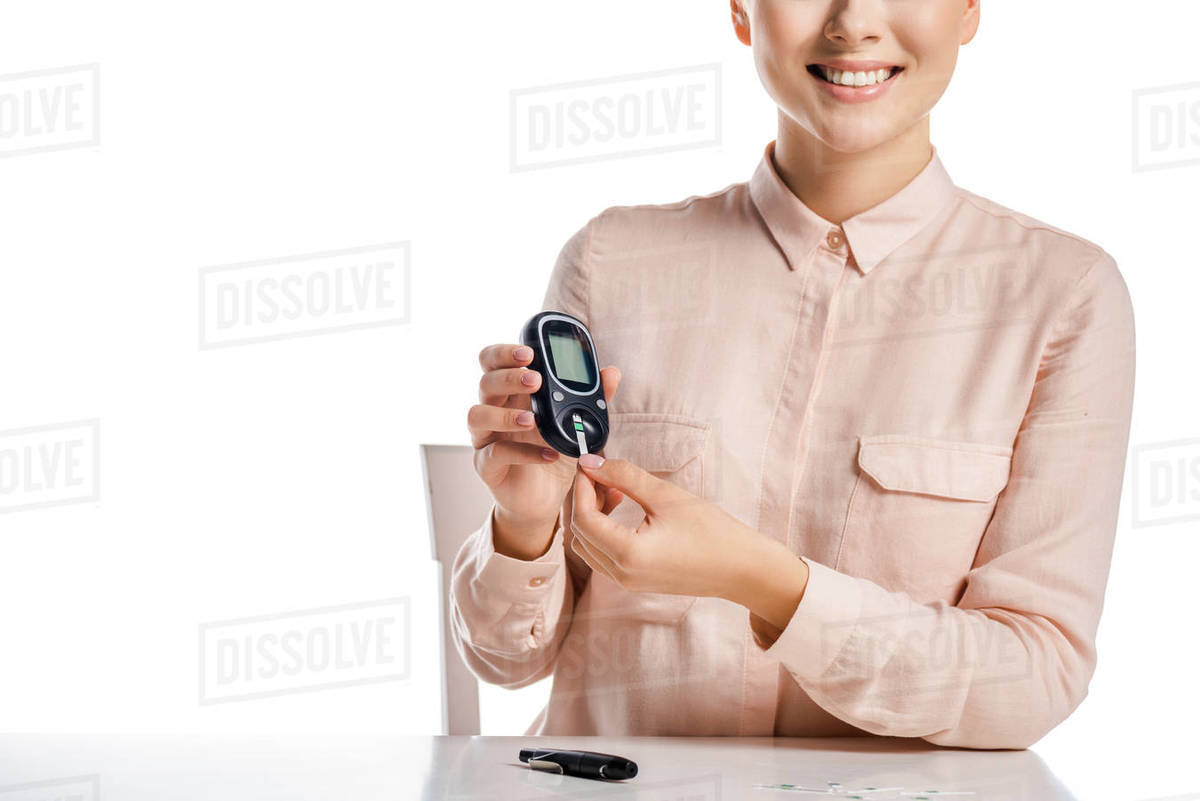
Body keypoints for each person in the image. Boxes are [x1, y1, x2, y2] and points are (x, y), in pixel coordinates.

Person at [453, 0, 1135, 749]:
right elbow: (506, 659)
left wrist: (766, 582)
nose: (854, 22)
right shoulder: (610, 261)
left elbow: (1032, 677)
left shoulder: (1063, 297)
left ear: (970, 8)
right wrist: (523, 528)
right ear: (741, 10)